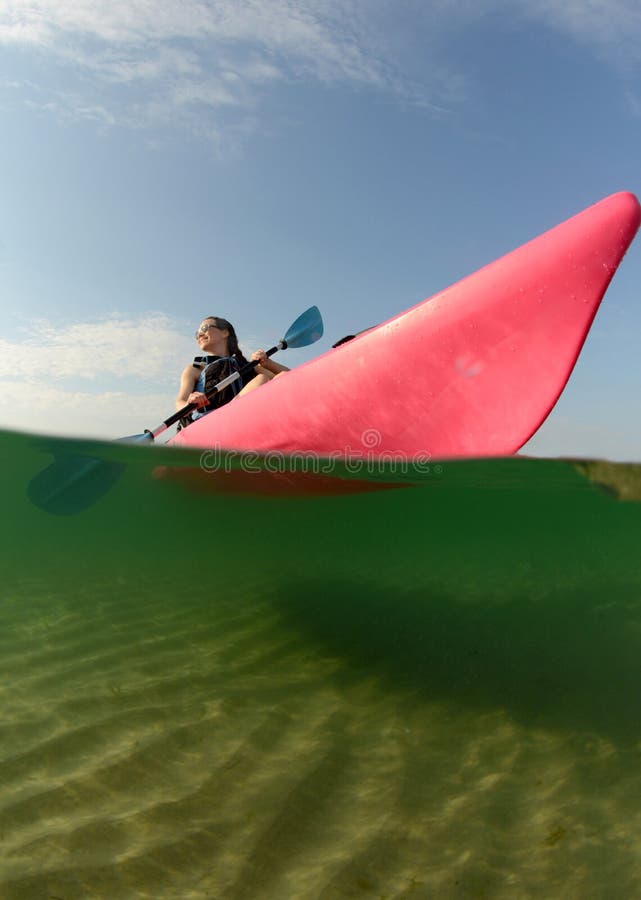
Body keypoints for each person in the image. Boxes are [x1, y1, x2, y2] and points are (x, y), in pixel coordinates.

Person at [176, 315, 288, 425]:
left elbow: (290, 378)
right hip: (209, 423)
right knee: (262, 379)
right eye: (197, 334)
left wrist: (269, 363)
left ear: (225, 332)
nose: (199, 334)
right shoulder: (195, 369)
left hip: (243, 419)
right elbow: (179, 402)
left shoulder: (248, 366)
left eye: (204, 328)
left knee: (271, 377)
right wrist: (188, 404)